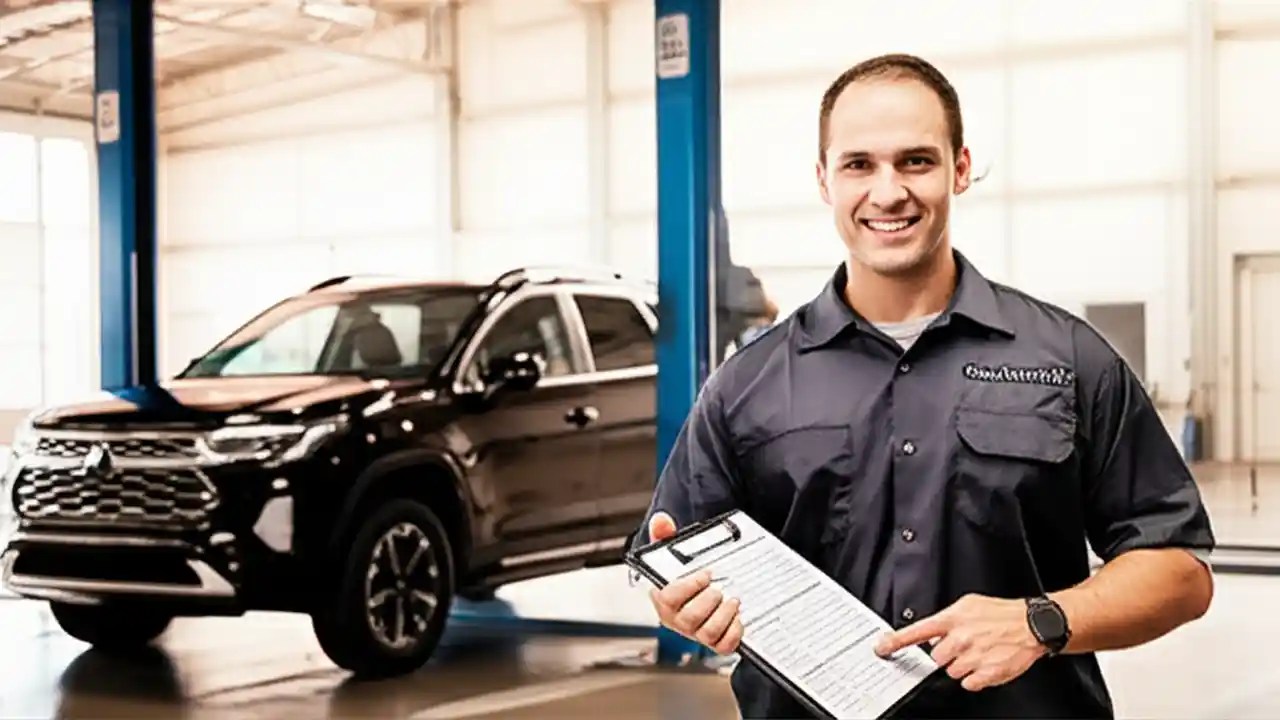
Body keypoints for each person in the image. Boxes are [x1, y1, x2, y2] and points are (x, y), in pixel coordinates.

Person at [635, 52, 1215, 719]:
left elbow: (1179, 570)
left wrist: (1041, 621)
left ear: (959, 169)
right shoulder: (746, 386)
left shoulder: (1070, 359)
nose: (888, 192)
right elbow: (679, 574)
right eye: (859, 164)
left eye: (916, 161)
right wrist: (683, 607)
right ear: (824, 180)